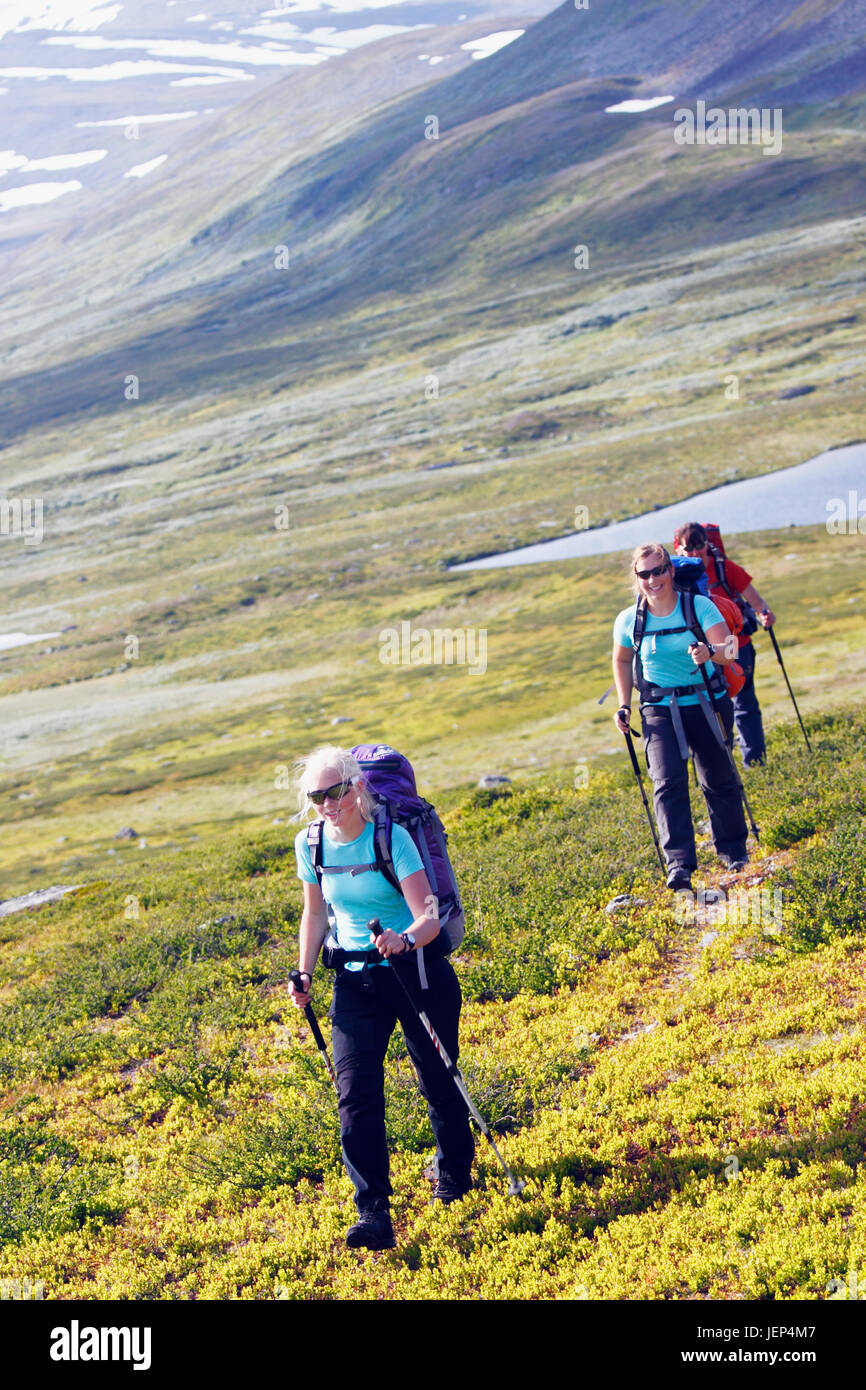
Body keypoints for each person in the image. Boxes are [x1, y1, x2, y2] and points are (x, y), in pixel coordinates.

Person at [288, 745, 474, 1251]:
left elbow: (428, 915)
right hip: (353, 981)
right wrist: (302, 973)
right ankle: (373, 1213)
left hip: (413, 972)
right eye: (316, 796)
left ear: (358, 787)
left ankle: (455, 1173)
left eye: (335, 791)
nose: (327, 803)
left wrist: (405, 939)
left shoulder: (393, 837)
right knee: (355, 1097)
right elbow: (314, 915)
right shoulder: (311, 845)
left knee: (438, 1080)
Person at [612, 543, 749, 891]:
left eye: (659, 571)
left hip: (706, 701)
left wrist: (710, 652)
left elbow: (730, 649)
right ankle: (679, 866)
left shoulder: (698, 606)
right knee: (667, 782)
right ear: (637, 577)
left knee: (717, 776)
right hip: (657, 708)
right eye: (645, 574)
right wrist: (624, 704)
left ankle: (733, 849)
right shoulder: (629, 619)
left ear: (671, 571)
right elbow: (622, 660)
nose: (653, 579)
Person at [673, 523, 776, 766]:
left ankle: (754, 762)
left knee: (744, 702)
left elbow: (754, 598)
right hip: (701, 653)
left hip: (737, 645)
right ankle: (721, 764)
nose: (697, 552)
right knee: (716, 706)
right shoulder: (675, 576)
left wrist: (765, 614)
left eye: (701, 545)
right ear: (678, 548)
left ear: (708, 544)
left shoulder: (724, 568)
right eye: (690, 547)